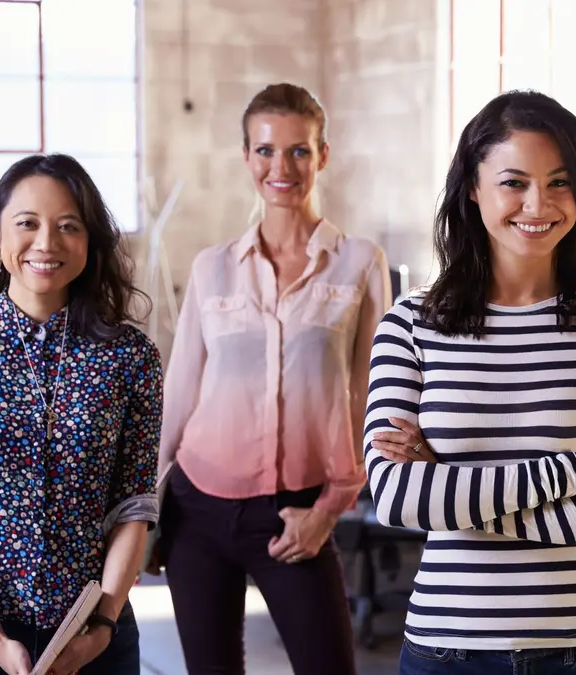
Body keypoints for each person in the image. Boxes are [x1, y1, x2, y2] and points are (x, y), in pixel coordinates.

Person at [363, 90, 576, 675]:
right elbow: (397, 500)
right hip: (448, 645)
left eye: (559, 182)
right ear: (473, 189)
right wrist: (570, 472)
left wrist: (449, 492)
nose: (538, 203)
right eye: (514, 182)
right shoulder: (409, 326)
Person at [156, 82, 390, 675]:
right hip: (197, 511)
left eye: (298, 151)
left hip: (298, 511)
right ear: (246, 157)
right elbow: (180, 391)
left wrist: (332, 506)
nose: (280, 167)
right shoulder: (212, 268)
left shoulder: (361, 262)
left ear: (323, 155)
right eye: (265, 151)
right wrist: (145, 509)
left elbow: (373, 395)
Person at [0, 153, 163, 675]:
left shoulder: (131, 357)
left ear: (90, 243)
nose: (47, 243)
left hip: (95, 630)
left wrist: (102, 628)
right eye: (27, 223)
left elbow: (134, 506)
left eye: (69, 226)